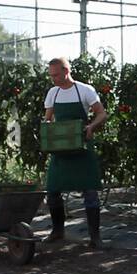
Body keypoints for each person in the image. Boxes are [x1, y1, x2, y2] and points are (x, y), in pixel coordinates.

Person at [42, 57, 108, 248]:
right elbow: (48, 119)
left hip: (82, 148)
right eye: (51, 75)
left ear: (65, 71)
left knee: (90, 192)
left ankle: (95, 237)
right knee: (53, 190)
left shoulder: (85, 90)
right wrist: (47, 130)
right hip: (60, 150)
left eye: (55, 75)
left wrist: (91, 127)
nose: (53, 79)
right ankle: (57, 231)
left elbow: (101, 113)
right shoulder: (52, 93)